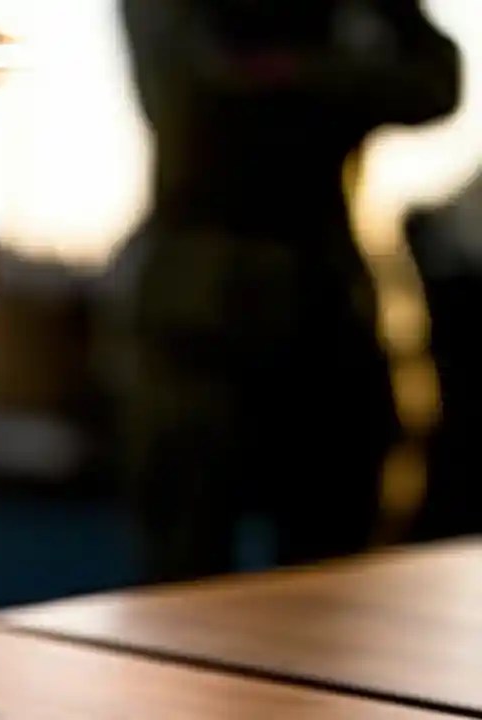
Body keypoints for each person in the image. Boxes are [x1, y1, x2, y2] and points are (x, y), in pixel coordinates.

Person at [97, 0, 460, 583]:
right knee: (184, 575)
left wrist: (313, 68)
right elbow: (202, 83)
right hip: (203, 310)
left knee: (339, 573)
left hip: (335, 304)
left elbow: (436, 83)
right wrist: (325, 69)